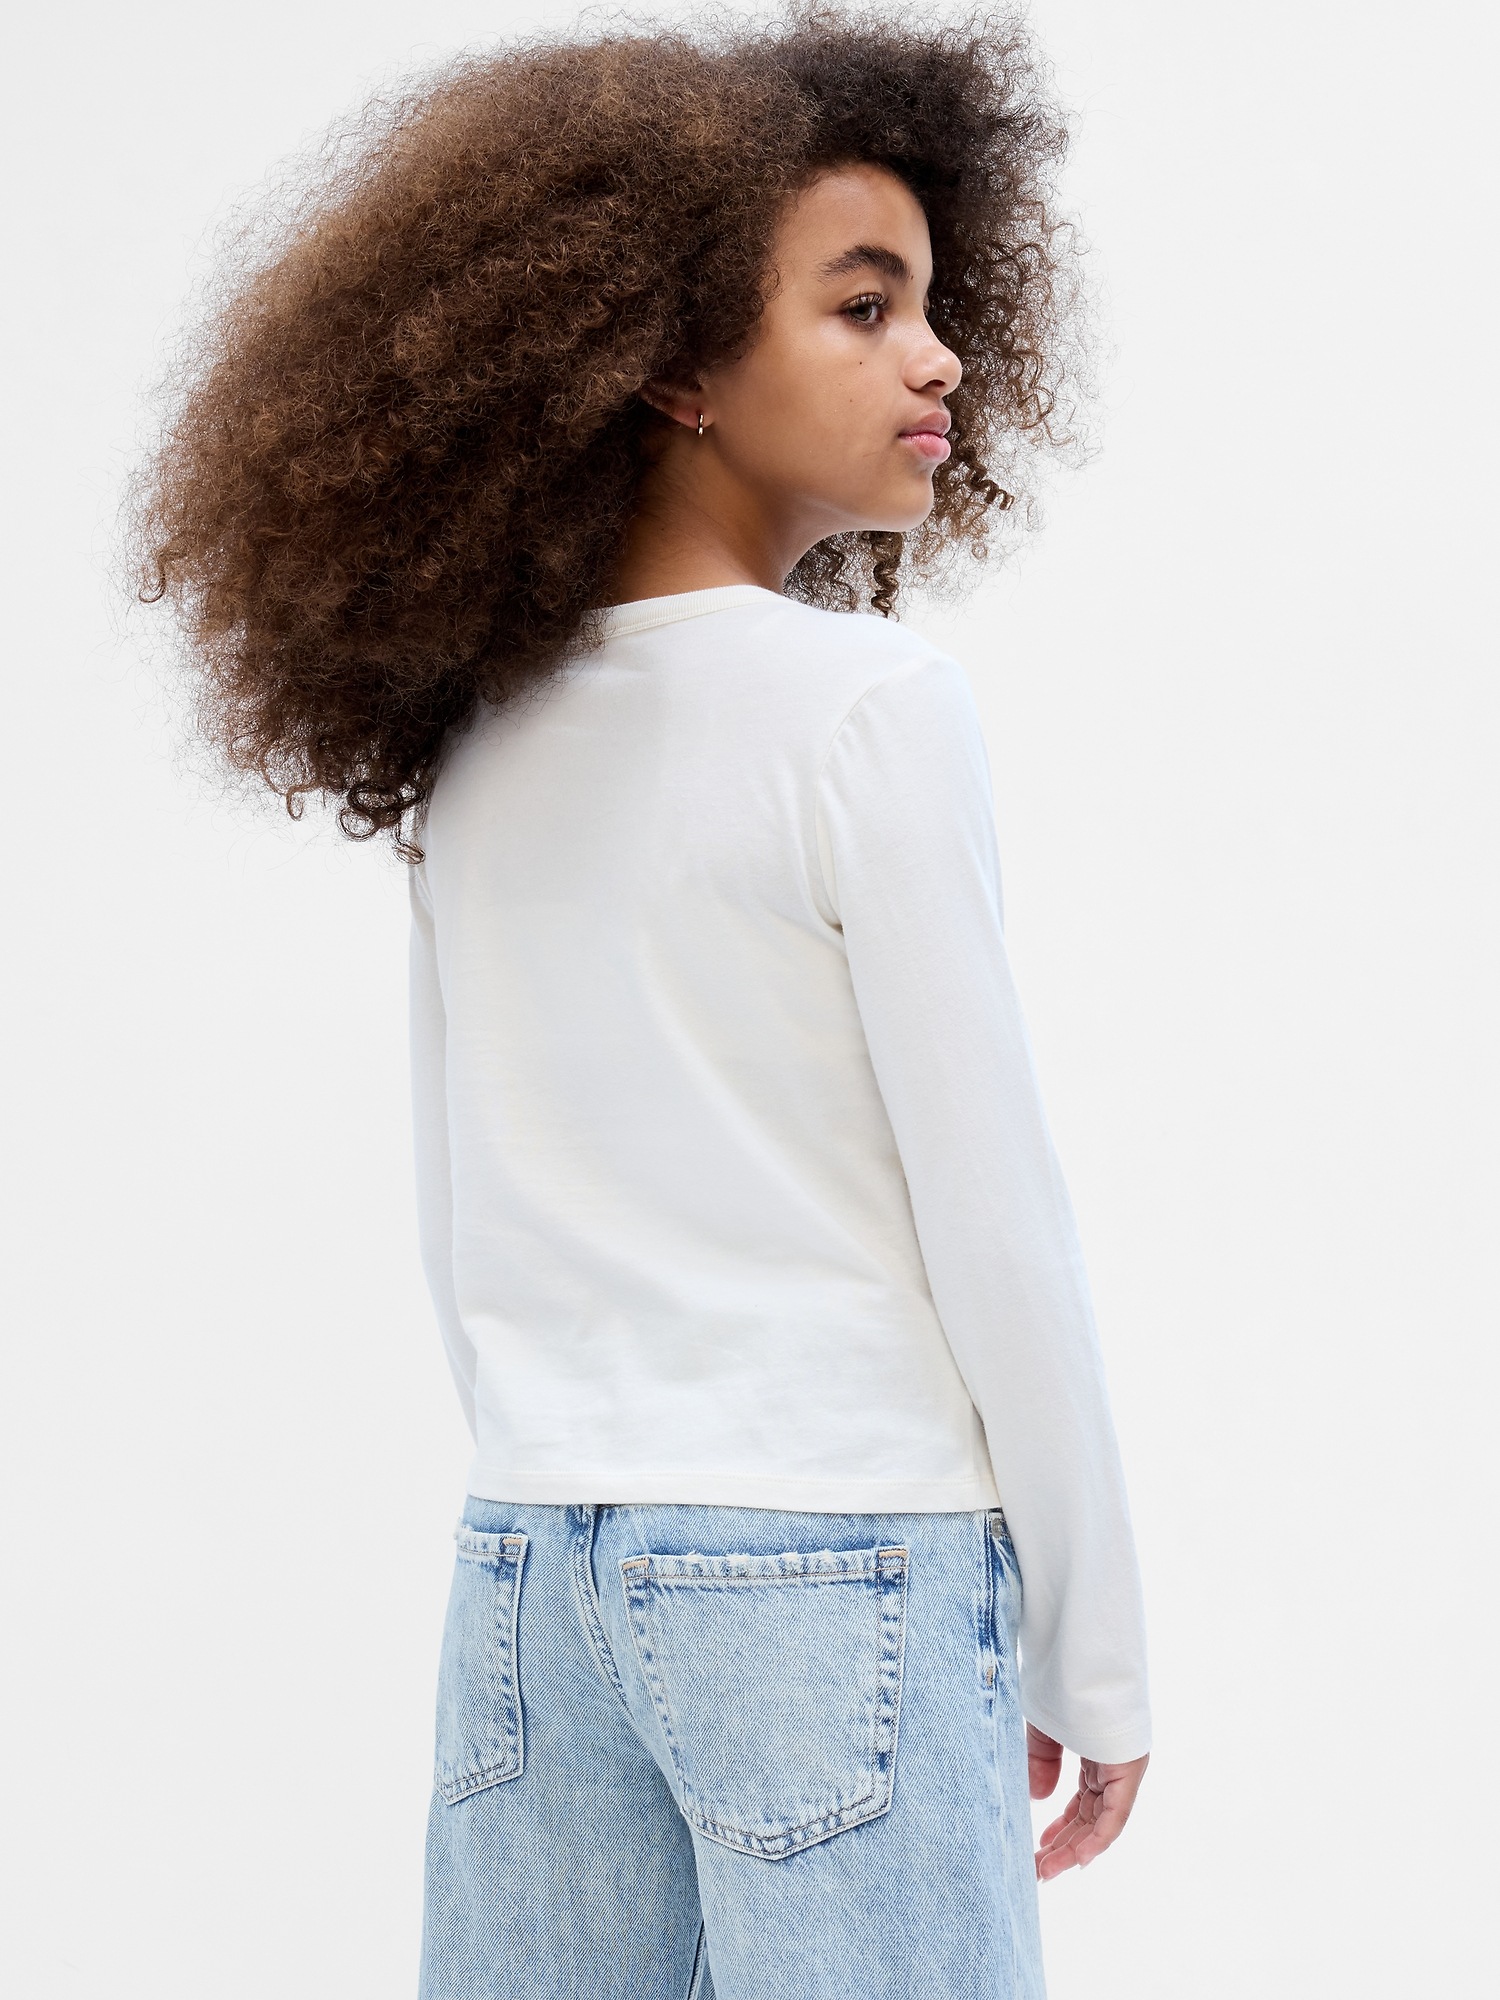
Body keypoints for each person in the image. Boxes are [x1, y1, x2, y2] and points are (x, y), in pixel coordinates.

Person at [135, 10, 1151, 1996]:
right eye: (863, 304)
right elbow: (997, 1219)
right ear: (671, 361)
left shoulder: (479, 740)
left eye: (934, 305)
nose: (939, 357)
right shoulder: (870, 710)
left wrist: (574, 1450)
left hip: (532, 1556)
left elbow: (463, 1208)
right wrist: (1090, 1646)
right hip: (839, 1557)